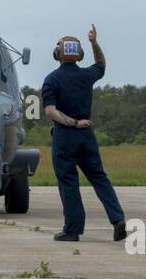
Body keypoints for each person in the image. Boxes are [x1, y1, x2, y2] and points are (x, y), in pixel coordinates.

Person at [41, 24, 127, 242]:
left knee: (69, 182)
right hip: (87, 136)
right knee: (99, 178)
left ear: (57, 54)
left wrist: (72, 123)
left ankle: (72, 230)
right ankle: (117, 219)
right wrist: (94, 43)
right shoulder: (87, 75)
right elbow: (101, 64)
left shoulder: (51, 80)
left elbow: (51, 112)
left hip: (65, 136)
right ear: (79, 54)